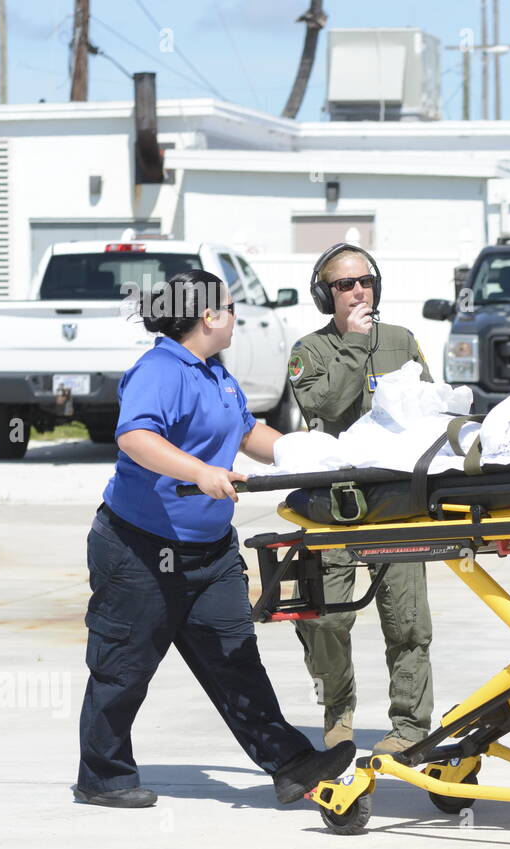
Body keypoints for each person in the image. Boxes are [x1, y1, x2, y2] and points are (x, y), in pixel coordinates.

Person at [75, 270, 355, 809]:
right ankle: (102, 775)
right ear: (208, 317)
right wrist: (201, 470)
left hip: (209, 551)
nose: (236, 316)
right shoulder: (159, 369)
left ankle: (291, 764)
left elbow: (248, 432)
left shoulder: (214, 373)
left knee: (235, 658)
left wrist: (309, 456)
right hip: (138, 548)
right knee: (123, 666)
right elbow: (136, 436)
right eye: (230, 307)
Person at [287, 243, 436, 755]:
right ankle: (338, 706)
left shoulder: (402, 341)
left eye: (365, 281)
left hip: (398, 505)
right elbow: (323, 403)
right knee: (326, 617)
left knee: (408, 623)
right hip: (336, 507)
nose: (358, 291)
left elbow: (428, 410)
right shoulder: (309, 350)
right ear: (325, 295)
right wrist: (353, 345)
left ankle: (412, 727)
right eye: (345, 284)